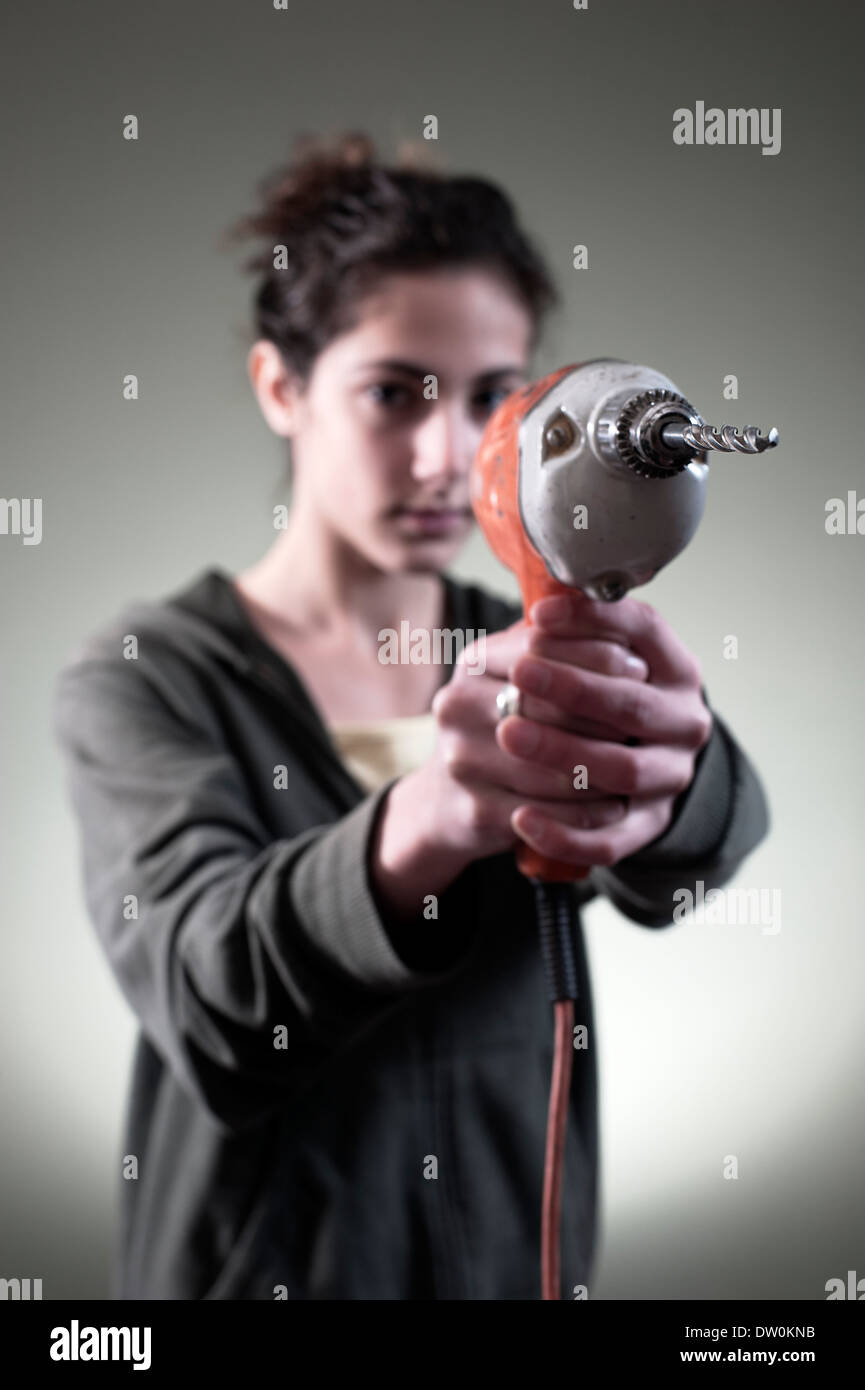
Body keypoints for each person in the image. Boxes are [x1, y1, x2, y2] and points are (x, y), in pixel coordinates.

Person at [52, 131, 770, 1300]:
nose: (448, 452)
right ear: (280, 386)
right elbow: (208, 1005)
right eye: (395, 392)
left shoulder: (542, 631)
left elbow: (700, 863)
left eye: (494, 396)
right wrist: (430, 819)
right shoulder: (148, 676)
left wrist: (677, 777)